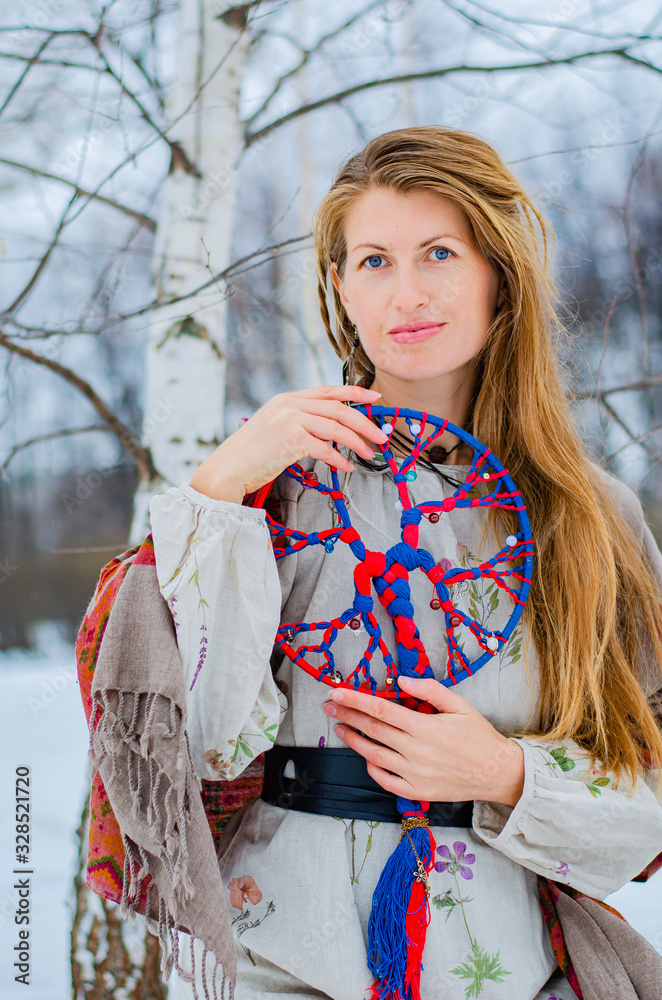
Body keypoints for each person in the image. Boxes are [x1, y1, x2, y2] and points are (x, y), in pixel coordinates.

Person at [148, 127, 662, 1000]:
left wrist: (504, 775)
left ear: (500, 277)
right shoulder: (271, 494)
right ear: (339, 288)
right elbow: (197, 744)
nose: (408, 293)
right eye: (374, 261)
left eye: (438, 253)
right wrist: (220, 490)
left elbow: (645, 800)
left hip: (508, 967)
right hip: (281, 956)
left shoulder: (589, 519)